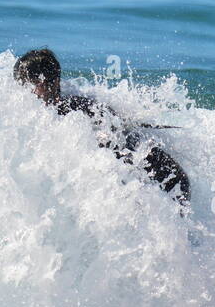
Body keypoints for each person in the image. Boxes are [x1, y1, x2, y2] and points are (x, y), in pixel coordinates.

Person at [14, 48, 191, 209]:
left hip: (162, 172)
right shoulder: (45, 115)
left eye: (29, 84)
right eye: (21, 84)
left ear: (51, 82)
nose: (24, 92)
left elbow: (117, 134)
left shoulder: (76, 110)